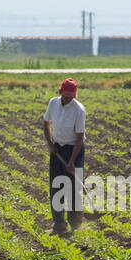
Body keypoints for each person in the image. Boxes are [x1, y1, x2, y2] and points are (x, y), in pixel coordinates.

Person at [42, 78, 86, 236]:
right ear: (60, 92)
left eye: (71, 97)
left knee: (73, 189)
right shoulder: (53, 103)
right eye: (66, 96)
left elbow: (80, 138)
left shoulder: (79, 110)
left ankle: (75, 225)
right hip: (58, 149)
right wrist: (50, 144)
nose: (68, 99)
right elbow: (46, 123)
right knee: (56, 187)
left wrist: (72, 161)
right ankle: (59, 225)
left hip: (75, 149)